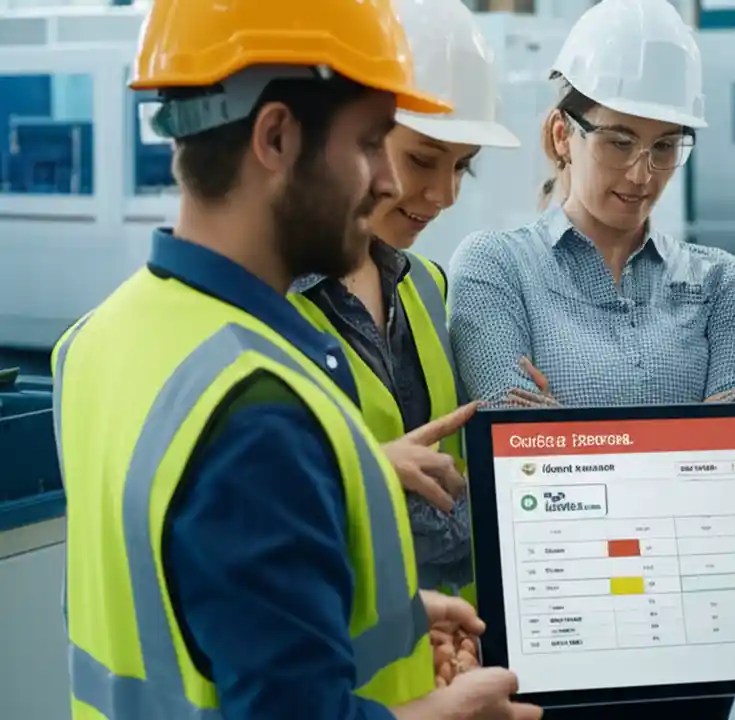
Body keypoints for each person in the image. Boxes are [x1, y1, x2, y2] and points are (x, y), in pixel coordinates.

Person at [49, 1, 539, 718]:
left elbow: (190, 609)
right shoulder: (258, 409)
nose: (386, 183)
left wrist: (379, 622)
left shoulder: (99, 339)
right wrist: (453, 713)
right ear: (276, 137)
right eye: (373, 144)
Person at [289, 0, 521, 612]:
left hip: (448, 645)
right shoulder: (271, 302)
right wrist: (363, 472)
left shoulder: (427, 285)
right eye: (422, 159)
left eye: (462, 170)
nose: (442, 195)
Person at [448, 0, 735, 420]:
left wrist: (574, 433)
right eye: (619, 142)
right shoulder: (496, 266)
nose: (641, 174)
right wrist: (691, 438)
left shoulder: (720, 282)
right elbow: (518, 443)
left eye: (665, 146)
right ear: (564, 136)